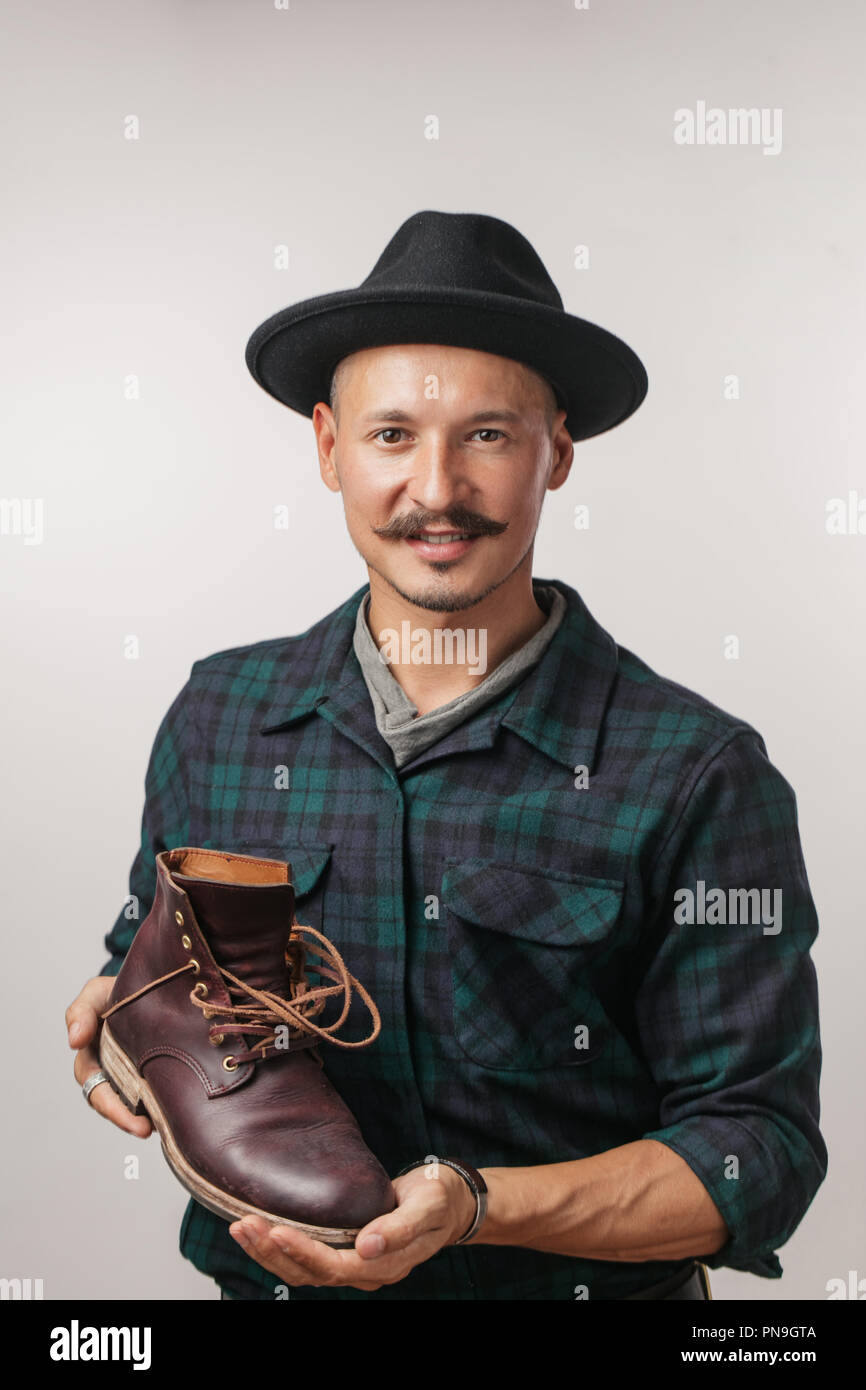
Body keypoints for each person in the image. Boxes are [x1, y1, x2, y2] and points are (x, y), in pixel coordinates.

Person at [66, 210, 826, 1301]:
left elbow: (758, 1151)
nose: (434, 490)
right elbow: (160, 960)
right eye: (389, 437)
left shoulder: (697, 772)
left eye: (484, 435)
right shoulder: (218, 713)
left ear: (554, 450)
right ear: (326, 446)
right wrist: (123, 1006)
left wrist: (476, 1205)